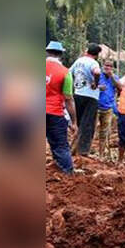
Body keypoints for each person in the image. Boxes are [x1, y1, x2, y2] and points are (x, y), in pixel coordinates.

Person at [45, 41, 77, 174]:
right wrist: (74, 121)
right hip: (54, 113)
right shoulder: (65, 72)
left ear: (47, 52)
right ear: (61, 55)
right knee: (60, 146)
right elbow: (68, 99)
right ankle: (67, 174)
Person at [68, 43, 102, 157]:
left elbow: (68, 73)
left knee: (77, 122)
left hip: (78, 94)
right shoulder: (93, 63)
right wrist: (96, 84)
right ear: (97, 55)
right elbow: (97, 72)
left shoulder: (78, 61)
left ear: (87, 51)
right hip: (90, 96)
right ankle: (82, 151)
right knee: (87, 124)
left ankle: (72, 148)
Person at [95, 59, 122, 159]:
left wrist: (112, 77)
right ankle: (85, 153)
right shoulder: (98, 76)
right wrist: (98, 87)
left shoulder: (114, 77)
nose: (108, 68)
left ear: (113, 68)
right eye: (106, 65)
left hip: (108, 108)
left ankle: (101, 155)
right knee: (91, 131)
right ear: (103, 66)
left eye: (110, 66)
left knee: (104, 133)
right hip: (96, 107)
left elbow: (120, 88)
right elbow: (91, 86)